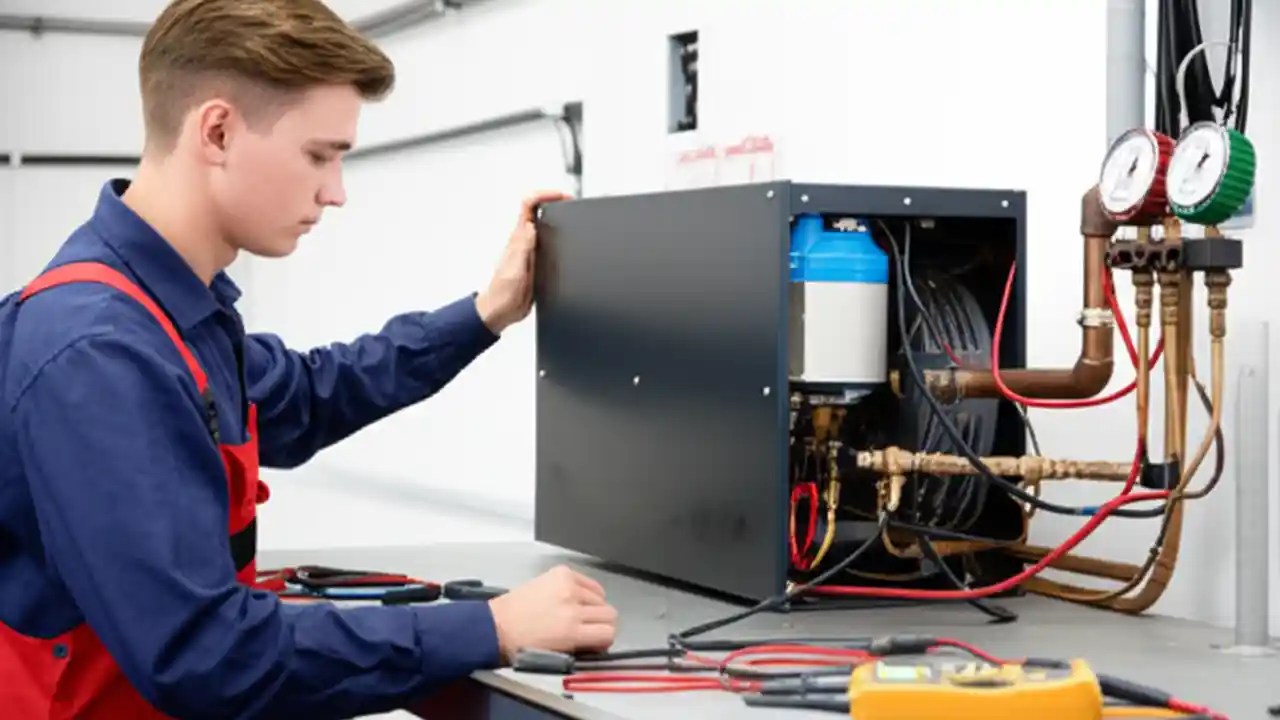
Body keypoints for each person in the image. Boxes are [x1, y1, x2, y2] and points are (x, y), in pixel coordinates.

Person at [0, 0, 618, 717]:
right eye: (319, 154)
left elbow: (310, 396)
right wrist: (491, 627)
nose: (336, 191)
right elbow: (204, 654)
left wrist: (486, 313)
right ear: (219, 131)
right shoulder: (99, 351)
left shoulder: (178, 314)